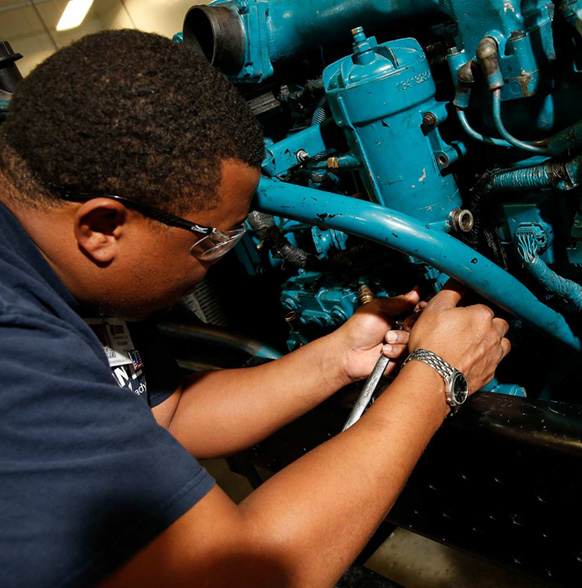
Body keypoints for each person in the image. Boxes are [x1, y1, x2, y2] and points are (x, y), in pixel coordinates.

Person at [0, 29, 510, 587]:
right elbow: (236, 576)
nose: (214, 263)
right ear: (102, 228)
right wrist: (437, 378)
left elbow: (166, 417)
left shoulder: (70, 275)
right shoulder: (15, 343)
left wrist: (338, 356)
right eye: (212, 242)